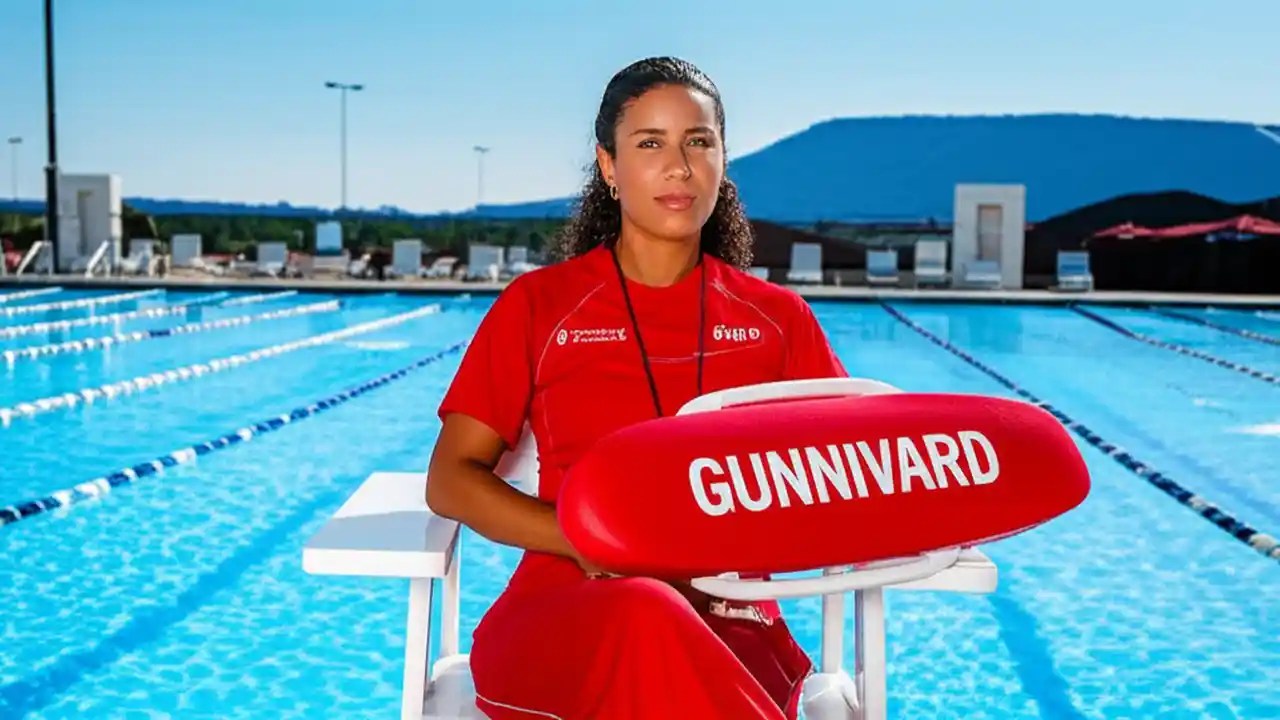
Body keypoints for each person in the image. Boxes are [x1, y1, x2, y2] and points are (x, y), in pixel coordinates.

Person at [426, 56, 847, 720]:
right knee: (644, 610)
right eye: (649, 143)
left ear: (721, 162)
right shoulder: (541, 305)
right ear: (610, 167)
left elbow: (847, 477)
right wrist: (584, 540)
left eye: (698, 142)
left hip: (733, 618)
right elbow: (451, 478)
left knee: (660, 621)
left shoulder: (778, 320)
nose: (678, 166)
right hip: (567, 607)